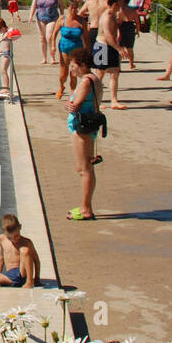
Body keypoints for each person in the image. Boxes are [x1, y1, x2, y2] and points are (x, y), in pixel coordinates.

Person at [65, 48, 103, 220]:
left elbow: (74, 105)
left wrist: (69, 104)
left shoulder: (86, 82)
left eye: (74, 66)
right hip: (89, 128)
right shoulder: (95, 78)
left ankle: (86, 208)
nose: (72, 69)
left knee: (83, 170)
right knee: (87, 167)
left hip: (81, 130)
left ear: (83, 65)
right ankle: (86, 206)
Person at [0, 214, 41, 295]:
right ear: (4, 233)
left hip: (22, 273)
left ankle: (30, 282)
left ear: (20, 227)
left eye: (16, 236)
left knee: (24, 250)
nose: (14, 240)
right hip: (10, 276)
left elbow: (36, 261)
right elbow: (1, 258)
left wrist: (37, 278)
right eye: (9, 238)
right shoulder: (1, 239)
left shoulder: (26, 242)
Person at [92, 0, 127, 109]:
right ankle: (96, 101)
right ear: (115, 4)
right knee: (99, 75)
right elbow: (107, 35)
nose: (122, 6)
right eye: (120, 4)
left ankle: (114, 100)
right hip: (102, 46)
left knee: (115, 73)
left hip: (111, 47)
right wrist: (119, 49)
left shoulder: (113, 15)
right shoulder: (107, 16)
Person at [56, 0, 86, 99]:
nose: (73, 10)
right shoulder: (62, 19)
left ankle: (73, 92)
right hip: (64, 47)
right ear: (68, 8)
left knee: (74, 72)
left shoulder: (81, 20)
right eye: (71, 8)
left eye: (75, 8)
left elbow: (85, 36)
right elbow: (54, 33)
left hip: (77, 48)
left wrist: (87, 49)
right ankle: (61, 86)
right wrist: (52, 46)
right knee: (63, 74)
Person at [30, 0, 62, 64]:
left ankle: (52, 57)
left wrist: (62, 15)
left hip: (52, 17)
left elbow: (61, 4)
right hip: (40, 18)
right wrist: (30, 16)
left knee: (49, 36)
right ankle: (44, 58)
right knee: (42, 38)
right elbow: (33, 5)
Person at [0, 19, 16, 102]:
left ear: (4, 27)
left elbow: (12, 30)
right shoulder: (4, 34)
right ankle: (6, 87)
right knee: (2, 71)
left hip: (7, 54)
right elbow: (2, 46)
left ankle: (7, 88)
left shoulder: (8, 32)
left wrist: (1, 39)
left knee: (3, 70)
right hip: (3, 53)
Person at [116, 0, 140, 70]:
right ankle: (131, 64)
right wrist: (138, 31)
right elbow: (137, 21)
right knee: (130, 48)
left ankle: (118, 66)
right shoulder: (132, 11)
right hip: (130, 27)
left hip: (121, 27)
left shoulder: (119, 10)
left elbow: (117, 21)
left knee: (120, 47)